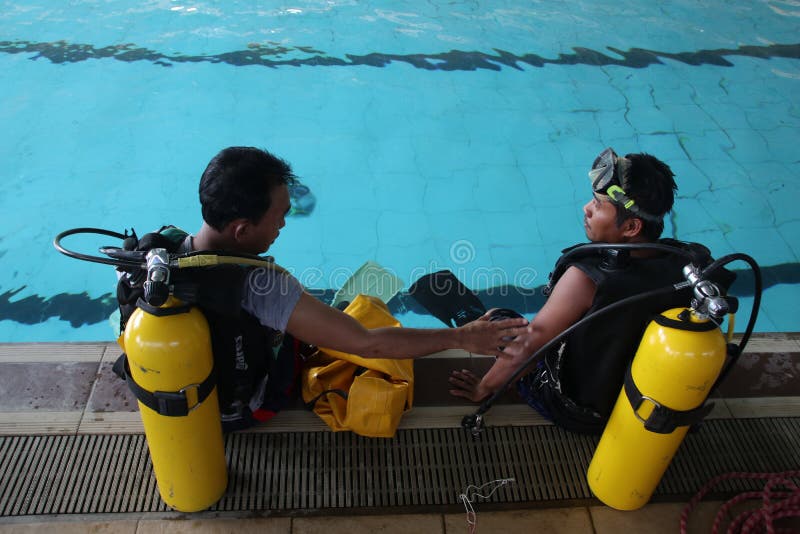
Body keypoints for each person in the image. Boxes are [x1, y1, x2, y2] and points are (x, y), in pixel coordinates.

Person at [120, 146, 527, 431]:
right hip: (245, 409)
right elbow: (368, 344)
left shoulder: (161, 249)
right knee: (364, 310)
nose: (283, 224)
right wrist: (462, 336)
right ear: (241, 230)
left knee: (334, 309)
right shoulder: (262, 286)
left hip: (189, 403)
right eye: (279, 216)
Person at [448, 148, 732, 435]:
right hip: (648, 408)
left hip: (583, 413)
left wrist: (482, 389)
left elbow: (529, 349)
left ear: (632, 226)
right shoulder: (692, 269)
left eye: (598, 205)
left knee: (500, 318)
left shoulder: (586, 280)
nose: (586, 208)